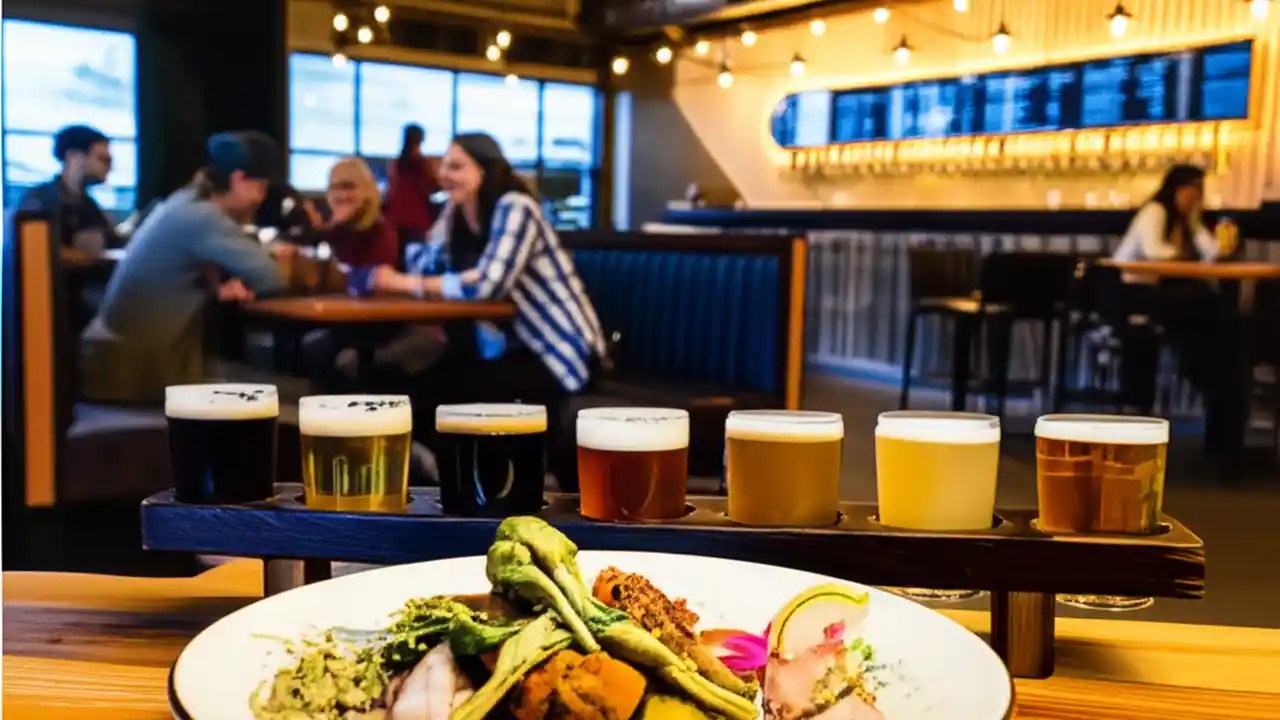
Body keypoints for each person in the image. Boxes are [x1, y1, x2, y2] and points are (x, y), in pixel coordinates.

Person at [370, 132, 606, 486]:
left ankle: (478, 485)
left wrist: (405, 284)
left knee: (453, 392)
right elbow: (421, 264)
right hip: (506, 348)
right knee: (415, 386)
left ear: (485, 170)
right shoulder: (459, 214)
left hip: (559, 353)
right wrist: (448, 226)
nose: (444, 175)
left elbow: (487, 285)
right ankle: (455, 484)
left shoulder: (516, 207)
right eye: (444, 165)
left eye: (457, 166)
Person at [79, 131, 287, 403]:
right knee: (293, 397)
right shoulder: (203, 217)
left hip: (118, 367)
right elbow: (271, 278)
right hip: (144, 379)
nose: (260, 199)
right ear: (239, 180)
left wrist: (226, 280)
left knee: (263, 381)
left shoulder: (183, 201)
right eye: (261, 188)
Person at [1112, 164, 1243, 453]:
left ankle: (1218, 393)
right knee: (1210, 308)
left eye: (1198, 193)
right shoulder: (1155, 211)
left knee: (1213, 316)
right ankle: (1212, 378)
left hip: (1166, 295)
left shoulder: (1188, 220)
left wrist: (1209, 234)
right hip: (1133, 294)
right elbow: (1153, 251)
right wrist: (1187, 256)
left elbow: (1211, 254)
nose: (1194, 197)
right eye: (1190, 191)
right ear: (1176, 189)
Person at [382, 123, 440, 258]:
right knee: (414, 259)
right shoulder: (423, 163)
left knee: (397, 259)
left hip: (395, 218)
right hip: (417, 219)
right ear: (421, 139)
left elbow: (390, 190)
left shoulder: (395, 163)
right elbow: (431, 187)